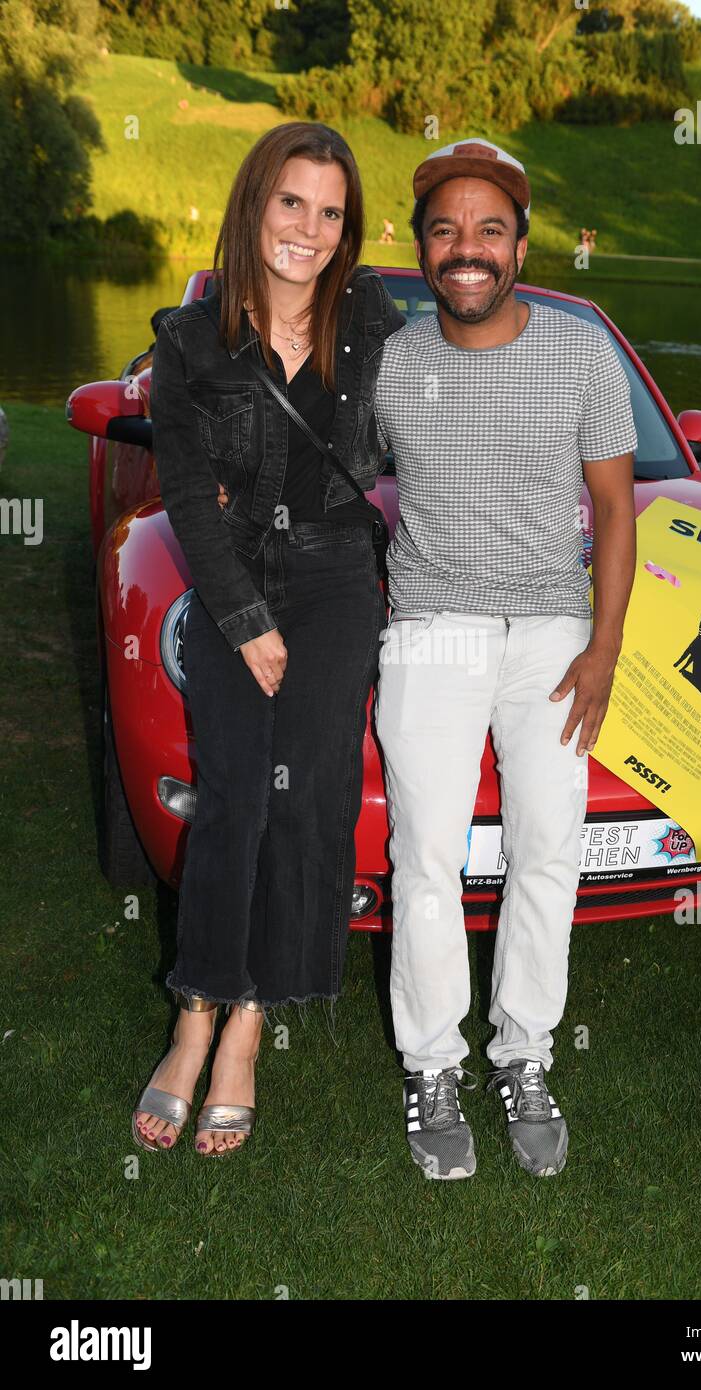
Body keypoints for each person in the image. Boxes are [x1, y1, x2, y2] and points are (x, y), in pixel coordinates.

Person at [135, 121, 403, 1157]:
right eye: (291, 202)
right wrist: (244, 622)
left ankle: (248, 1023)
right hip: (236, 568)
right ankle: (195, 1007)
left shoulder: (370, 319)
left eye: (330, 212)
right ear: (254, 203)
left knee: (314, 795)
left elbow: (454, 367)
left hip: (337, 577)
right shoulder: (191, 340)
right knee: (235, 795)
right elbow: (190, 509)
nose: (309, 229)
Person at [373, 138, 638, 1180]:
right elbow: (329, 468)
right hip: (431, 629)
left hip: (549, 640)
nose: (467, 249)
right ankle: (430, 1065)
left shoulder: (579, 353)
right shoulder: (394, 360)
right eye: (446, 230)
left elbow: (615, 507)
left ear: (521, 245)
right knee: (426, 858)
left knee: (547, 849)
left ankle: (522, 1054)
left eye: (489, 229)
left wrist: (603, 647)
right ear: (421, 246)